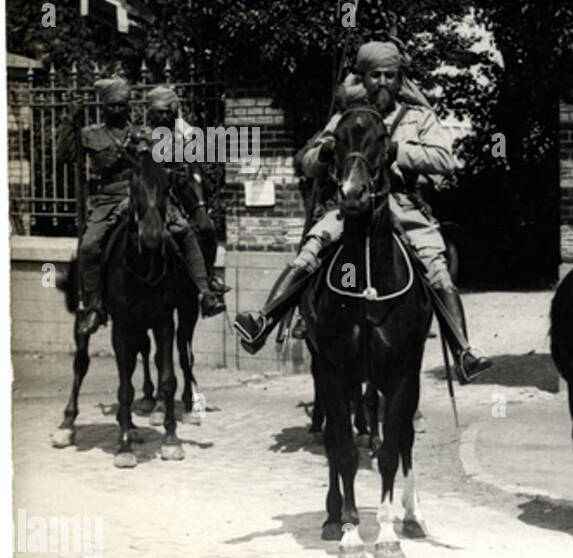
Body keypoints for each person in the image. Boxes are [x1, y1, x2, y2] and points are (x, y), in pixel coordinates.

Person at [232, 41, 492, 382]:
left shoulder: (419, 117)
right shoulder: (346, 118)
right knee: (312, 247)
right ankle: (264, 320)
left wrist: (397, 149)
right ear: (364, 79)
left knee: (436, 264)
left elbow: (445, 160)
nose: (382, 82)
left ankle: (463, 350)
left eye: (390, 75)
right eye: (375, 76)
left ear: (400, 81)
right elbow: (308, 164)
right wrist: (324, 153)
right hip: (351, 206)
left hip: (402, 205)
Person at [57, 77, 226, 339]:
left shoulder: (146, 134)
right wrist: (70, 119)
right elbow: (64, 156)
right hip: (110, 199)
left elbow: (177, 157)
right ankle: (94, 307)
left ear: (128, 107)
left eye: (121, 105)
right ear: (103, 107)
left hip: (145, 196)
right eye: (111, 105)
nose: (116, 110)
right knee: (89, 245)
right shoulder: (91, 135)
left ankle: (205, 292)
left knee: (183, 230)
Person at [145, 85, 225, 285]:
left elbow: (198, 168)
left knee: (207, 228)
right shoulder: (142, 136)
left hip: (182, 192)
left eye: (167, 112)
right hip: (152, 194)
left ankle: (208, 278)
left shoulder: (185, 134)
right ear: (151, 113)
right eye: (158, 112)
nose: (163, 117)